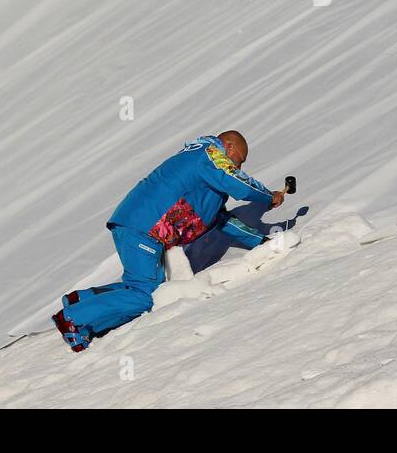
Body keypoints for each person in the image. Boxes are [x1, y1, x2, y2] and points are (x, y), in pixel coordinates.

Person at [53, 130, 284, 352]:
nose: (239, 166)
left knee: (140, 284)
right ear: (229, 146)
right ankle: (73, 318)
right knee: (148, 294)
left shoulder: (204, 175)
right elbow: (238, 184)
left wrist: (262, 242)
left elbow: (220, 220)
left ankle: (81, 300)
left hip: (138, 226)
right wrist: (267, 196)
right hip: (144, 228)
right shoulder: (210, 154)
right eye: (239, 160)